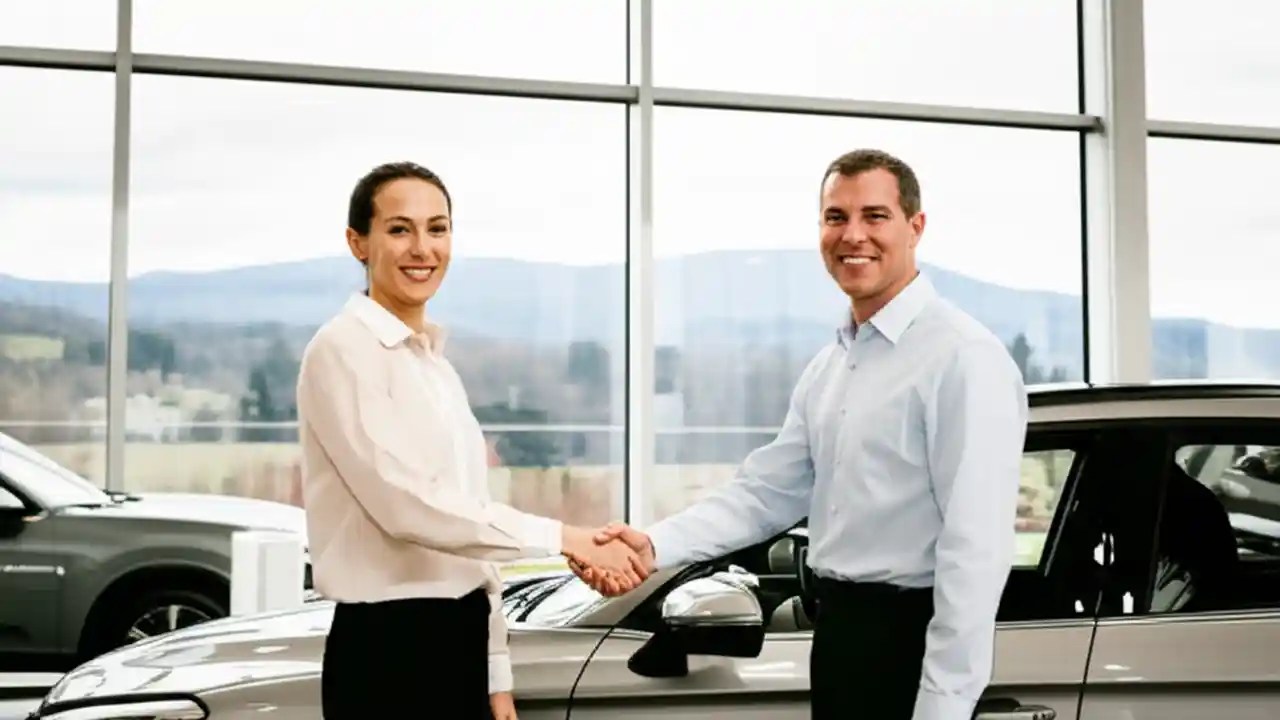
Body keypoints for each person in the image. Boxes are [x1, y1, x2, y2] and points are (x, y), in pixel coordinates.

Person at [575, 149, 1028, 720]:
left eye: (875, 216)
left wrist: (943, 706)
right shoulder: (832, 364)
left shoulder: (963, 357)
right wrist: (654, 545)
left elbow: (976, 550)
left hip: (910, 647)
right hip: (840, 639)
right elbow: (764, 493)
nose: (853, 235)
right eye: (836, 217)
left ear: (915, 227)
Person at [296, 161, 648, 720]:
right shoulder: (342, 349)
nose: (423, 248)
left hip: (458, 638)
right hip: (389, 652)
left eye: (437, 229)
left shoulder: (436, 367)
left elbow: (469, 526)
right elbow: (406, 506)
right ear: (357, 242)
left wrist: (494, 671)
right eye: (400, 229)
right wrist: (567, 538)